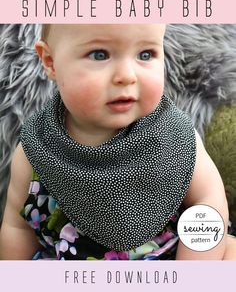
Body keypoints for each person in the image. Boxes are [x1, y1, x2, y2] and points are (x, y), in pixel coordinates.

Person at [0, 24, 235, 260]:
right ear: (50, 62)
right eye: (99, 55)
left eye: (145, 54)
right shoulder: (39, 147)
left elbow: (208, 204)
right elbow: (17, 227)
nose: (127, 76)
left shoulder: (175, 136)